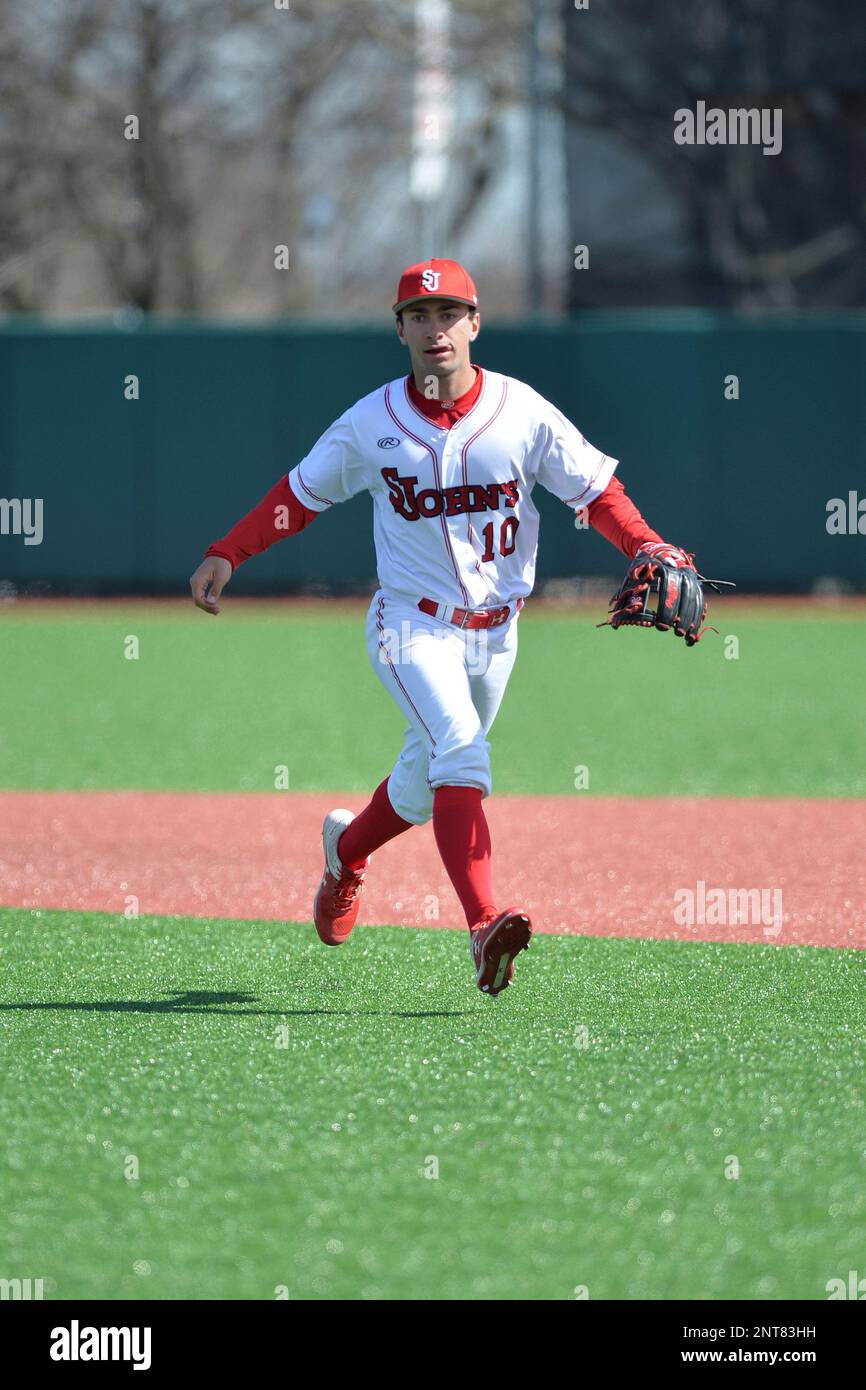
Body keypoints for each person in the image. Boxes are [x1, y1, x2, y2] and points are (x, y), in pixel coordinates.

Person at [189, 258, 692, 996]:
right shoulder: (370, 423)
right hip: (409, 626)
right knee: (462, 752)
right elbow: (298, 496)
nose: (436, 328)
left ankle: (345, 855)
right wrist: (228, 550)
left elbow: (597, 492)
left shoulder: (521, 411)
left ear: (475, 324)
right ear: (400, 330)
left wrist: (646, 543)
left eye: (450, 314)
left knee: (424, 788)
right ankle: (485, 922)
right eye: (420, 317)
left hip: (497, 635)